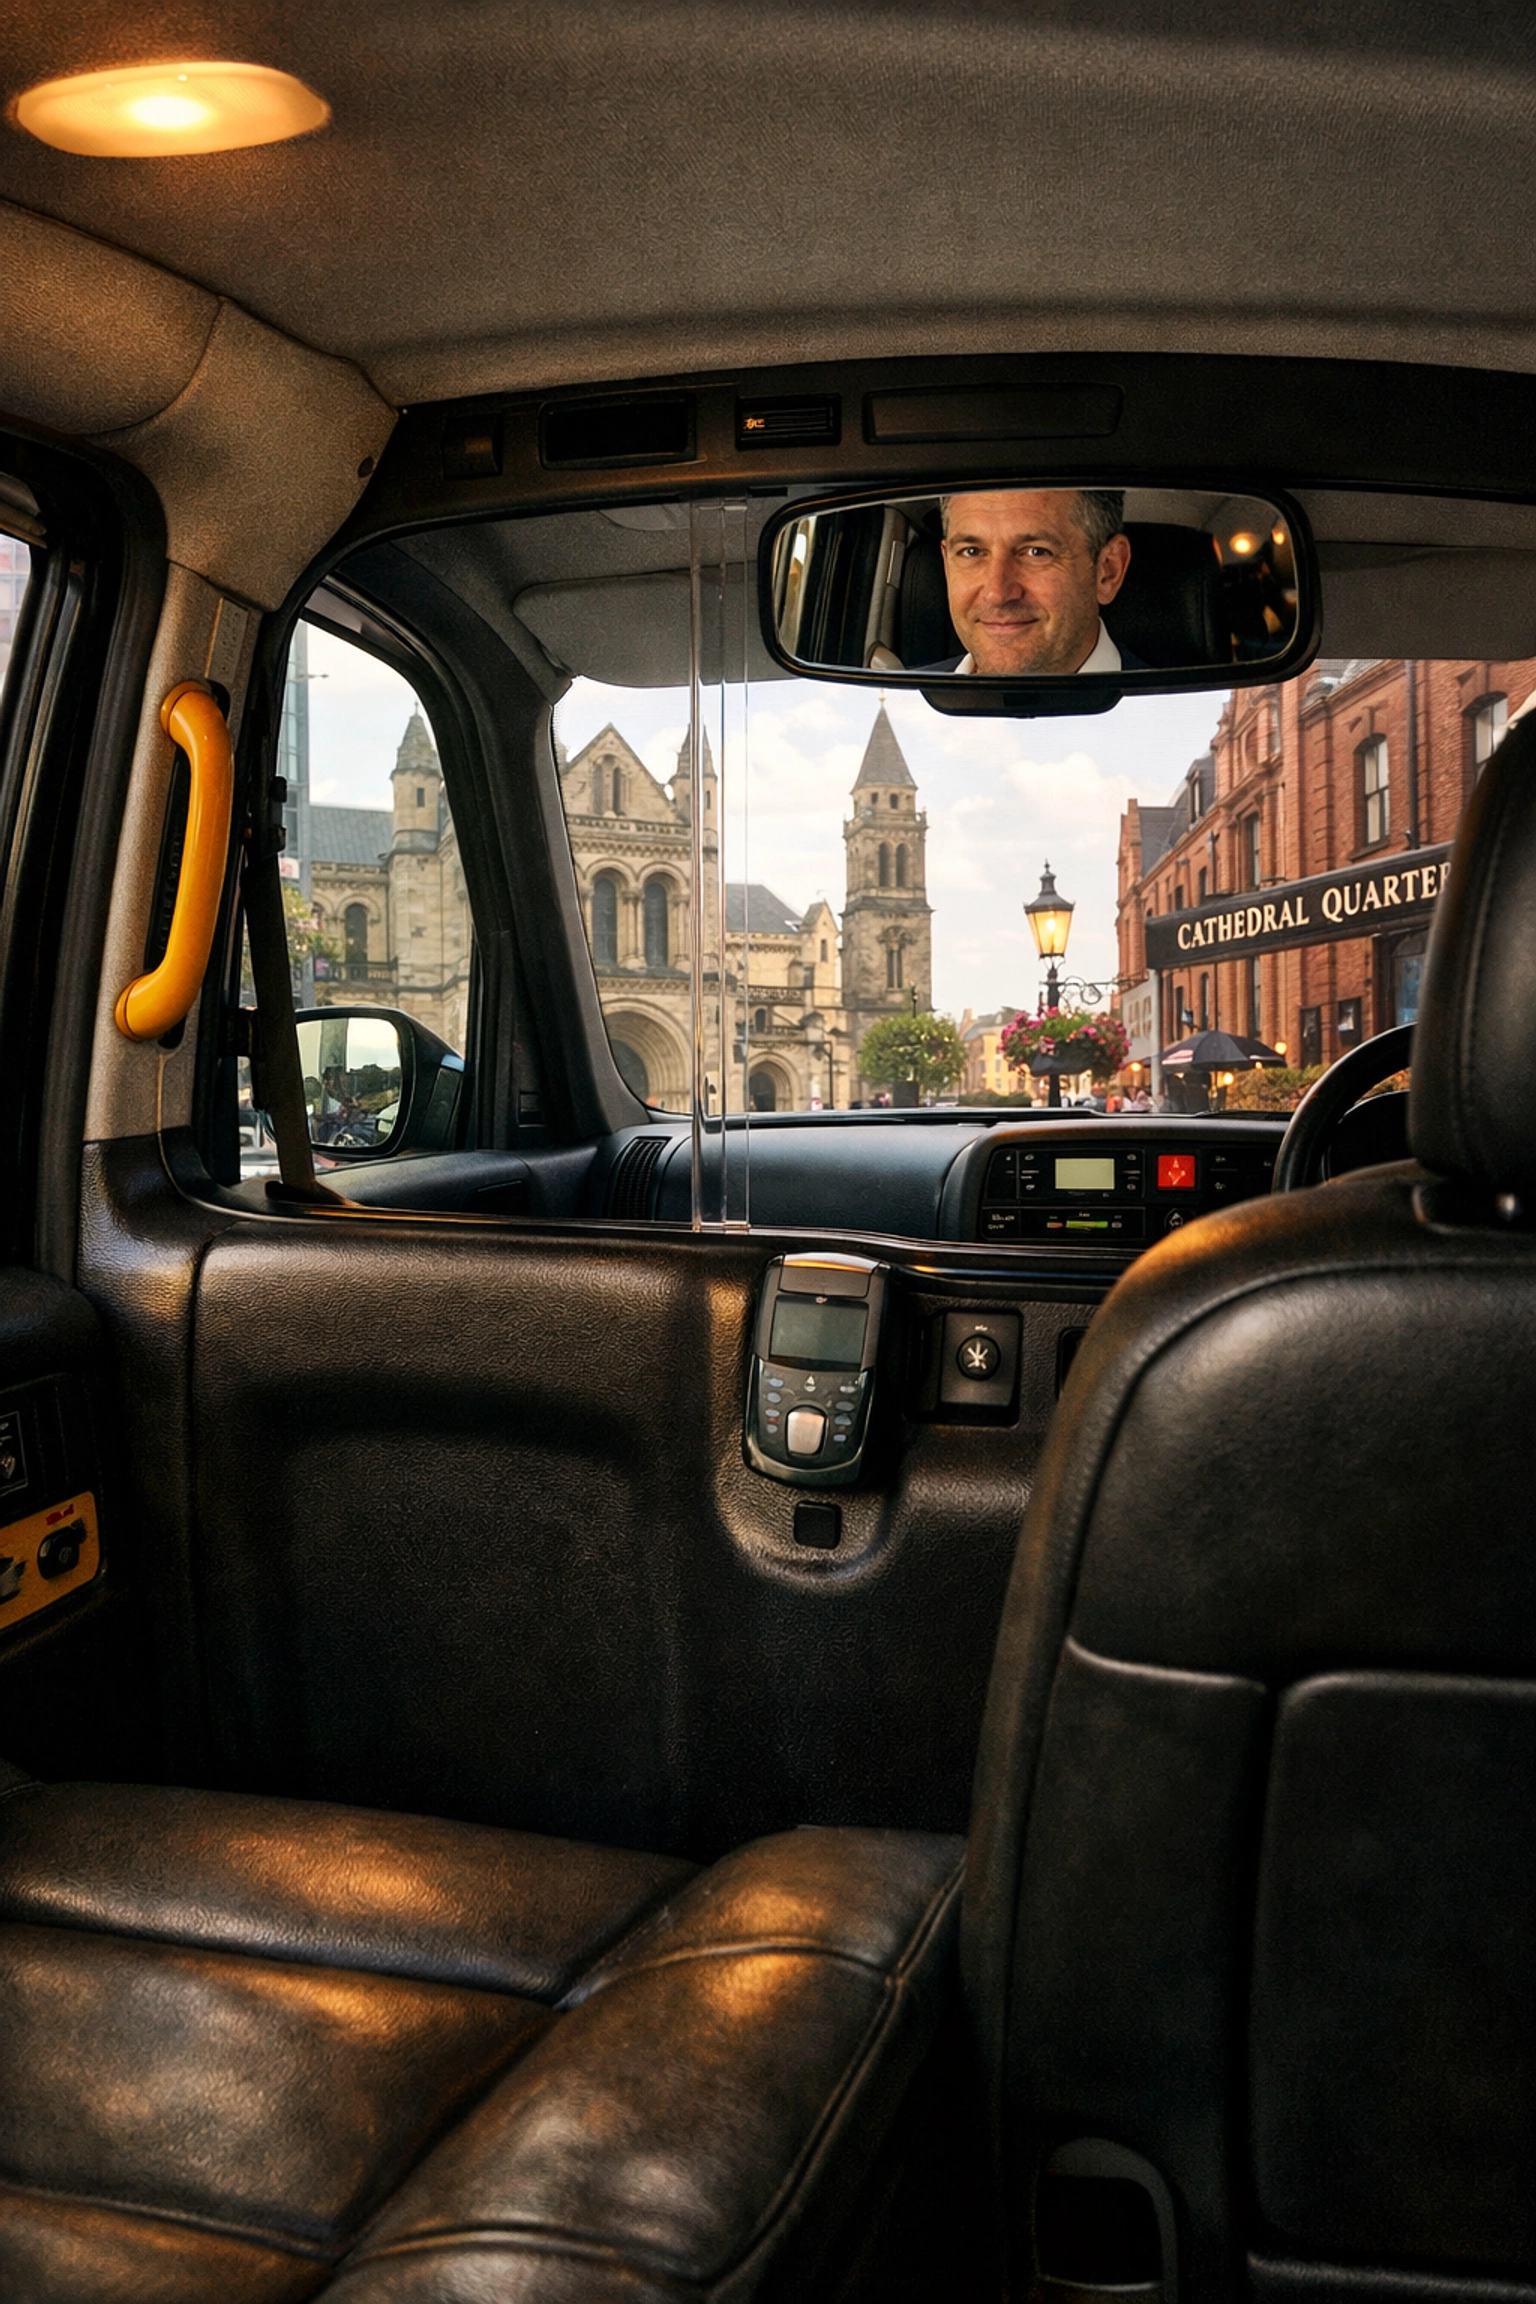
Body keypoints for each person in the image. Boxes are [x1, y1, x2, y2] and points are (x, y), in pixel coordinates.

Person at [923, 487, 1145, 675]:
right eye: (971, 552)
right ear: (946, 564)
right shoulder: (897, 705)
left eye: (1037, 552)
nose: (996, 594)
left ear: (1108, 571)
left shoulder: (1175, 716)